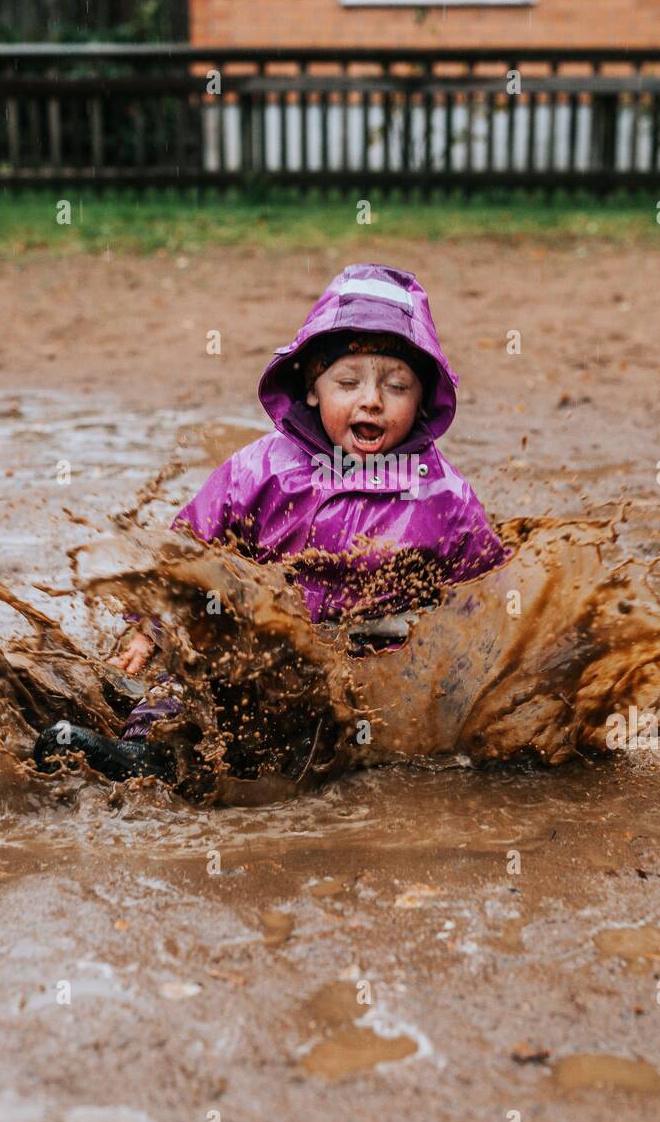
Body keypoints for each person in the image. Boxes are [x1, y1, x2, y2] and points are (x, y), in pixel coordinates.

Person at [34, 264, 509, 781]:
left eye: (396, 386)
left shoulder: (442, 495)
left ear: (420, 401)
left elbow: (487, 594)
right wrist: (148, 630)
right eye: (348, 382)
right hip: (261, 658)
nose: (371, 399)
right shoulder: (261, 471)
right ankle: (147, 750)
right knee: (207, 669)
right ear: (311, 387)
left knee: (346, 737)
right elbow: (187, 555)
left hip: (374, 681)